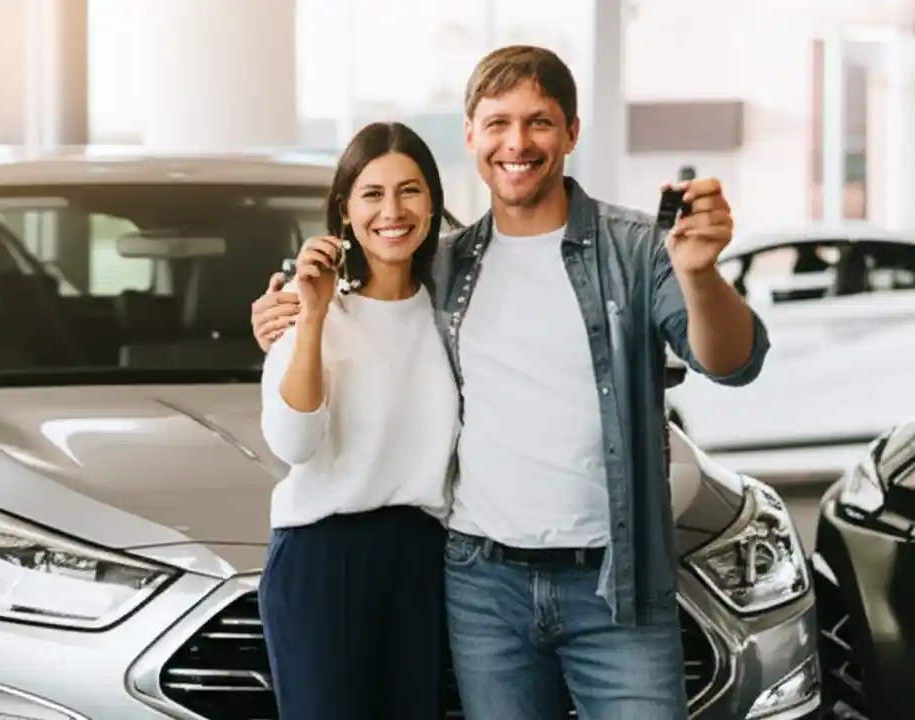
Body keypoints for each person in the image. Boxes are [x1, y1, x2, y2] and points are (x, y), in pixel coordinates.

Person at [251, 46, 770, 719]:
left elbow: (732, 362)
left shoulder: (638, 249)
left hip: (614, 585)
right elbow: (365, 318)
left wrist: (699, 275)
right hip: (483, 586)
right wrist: (292, 313)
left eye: (539, 122)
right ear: (470, 135)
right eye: (498, 123)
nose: (517, 143)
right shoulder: (448, 265)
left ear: (572, 132)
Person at [257, 121, 459, 719]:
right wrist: (312, 319)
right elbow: (293, 442)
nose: (392, 211)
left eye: (409, 190)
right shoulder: (309, 311)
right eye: (372, 194)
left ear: (432, 203)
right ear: (345, 211)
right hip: (323, 560)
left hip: (423, 561)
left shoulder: (452, 311)